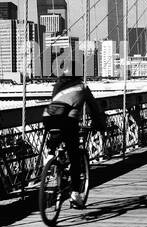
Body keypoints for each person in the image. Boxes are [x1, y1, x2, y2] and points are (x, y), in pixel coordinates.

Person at [42, 67, 106, 209]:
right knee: (74, 156)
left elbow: (55, 102)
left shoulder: (57, 85)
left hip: (48, 117)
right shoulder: (82, 87)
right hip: (68, 121)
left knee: (56, 135)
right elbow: (94, 108)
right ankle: (75, 195)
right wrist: (100, 124)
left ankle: (50, 156)